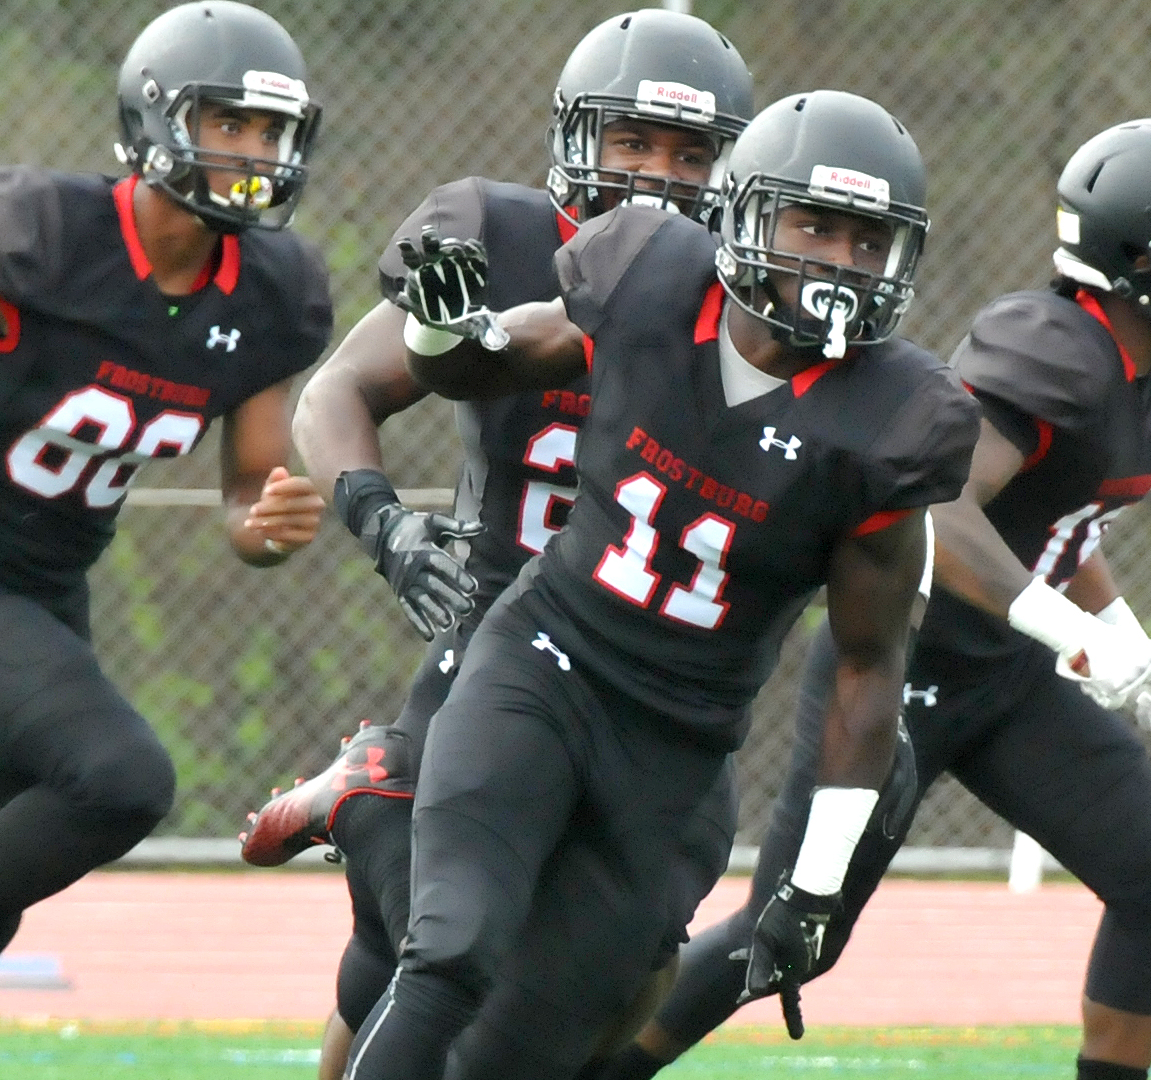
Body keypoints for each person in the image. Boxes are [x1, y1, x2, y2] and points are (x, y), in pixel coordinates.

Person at [599, 117, 1151, 1080]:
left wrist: (1126, 633)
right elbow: (936, 508)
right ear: (1142, 255)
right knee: (792, 932)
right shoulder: (1054, 348)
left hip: (1002, 674)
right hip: (897, 661)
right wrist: (1077, 637)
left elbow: (1066, 517)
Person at [338, 89, 980, 1080]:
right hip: (543, 666)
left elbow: (866, 665)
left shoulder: (896, 419)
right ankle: (366, 808)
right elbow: (479, 367)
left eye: (865, 240)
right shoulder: (648, 275)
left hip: (677, 752)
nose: (837, 264)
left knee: (515, 1059)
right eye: (813, 224)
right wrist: (435, 331)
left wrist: (813, 887)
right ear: (742, 213)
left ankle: (363, 810)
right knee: (449, 954)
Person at [0, 5, 332, 1079]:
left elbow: (245, 502)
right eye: (229, 123)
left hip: (42, 594)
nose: (254, 154)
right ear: (157, 118)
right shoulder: (45, 236)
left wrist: (269, 524)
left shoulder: (270, 294)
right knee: (122, 779)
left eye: (271, 132)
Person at [235, 11, 754, 1079]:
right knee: (429, 945)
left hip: (656, 656)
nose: (659, 176)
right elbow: (340, 388)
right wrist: (383, 522)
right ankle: (375, 787)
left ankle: (367, 790)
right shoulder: (511, 237)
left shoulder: (741, 290)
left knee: (632, 953)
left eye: (690, 154)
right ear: (576, 139)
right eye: (633, 142)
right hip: (503, 633)